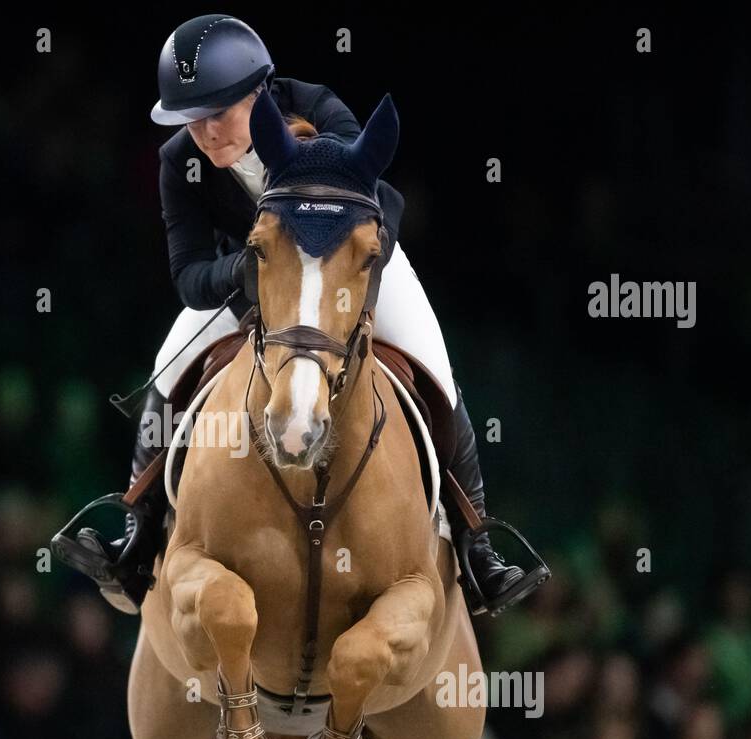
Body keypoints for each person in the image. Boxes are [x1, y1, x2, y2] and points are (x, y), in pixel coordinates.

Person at [55, 14, 545, 618]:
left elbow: (384, 202)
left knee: (437, 372)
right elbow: (187, 276)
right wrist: (248, 274)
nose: (205, 133)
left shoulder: (319, 109)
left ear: (257, 93)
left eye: (219, 113)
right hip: (256, 284)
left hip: (349, 274)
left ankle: (478, 548)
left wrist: (345, 282)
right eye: (192, 117)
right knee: (165, 372)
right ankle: (138, 530)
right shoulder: (177, 162)